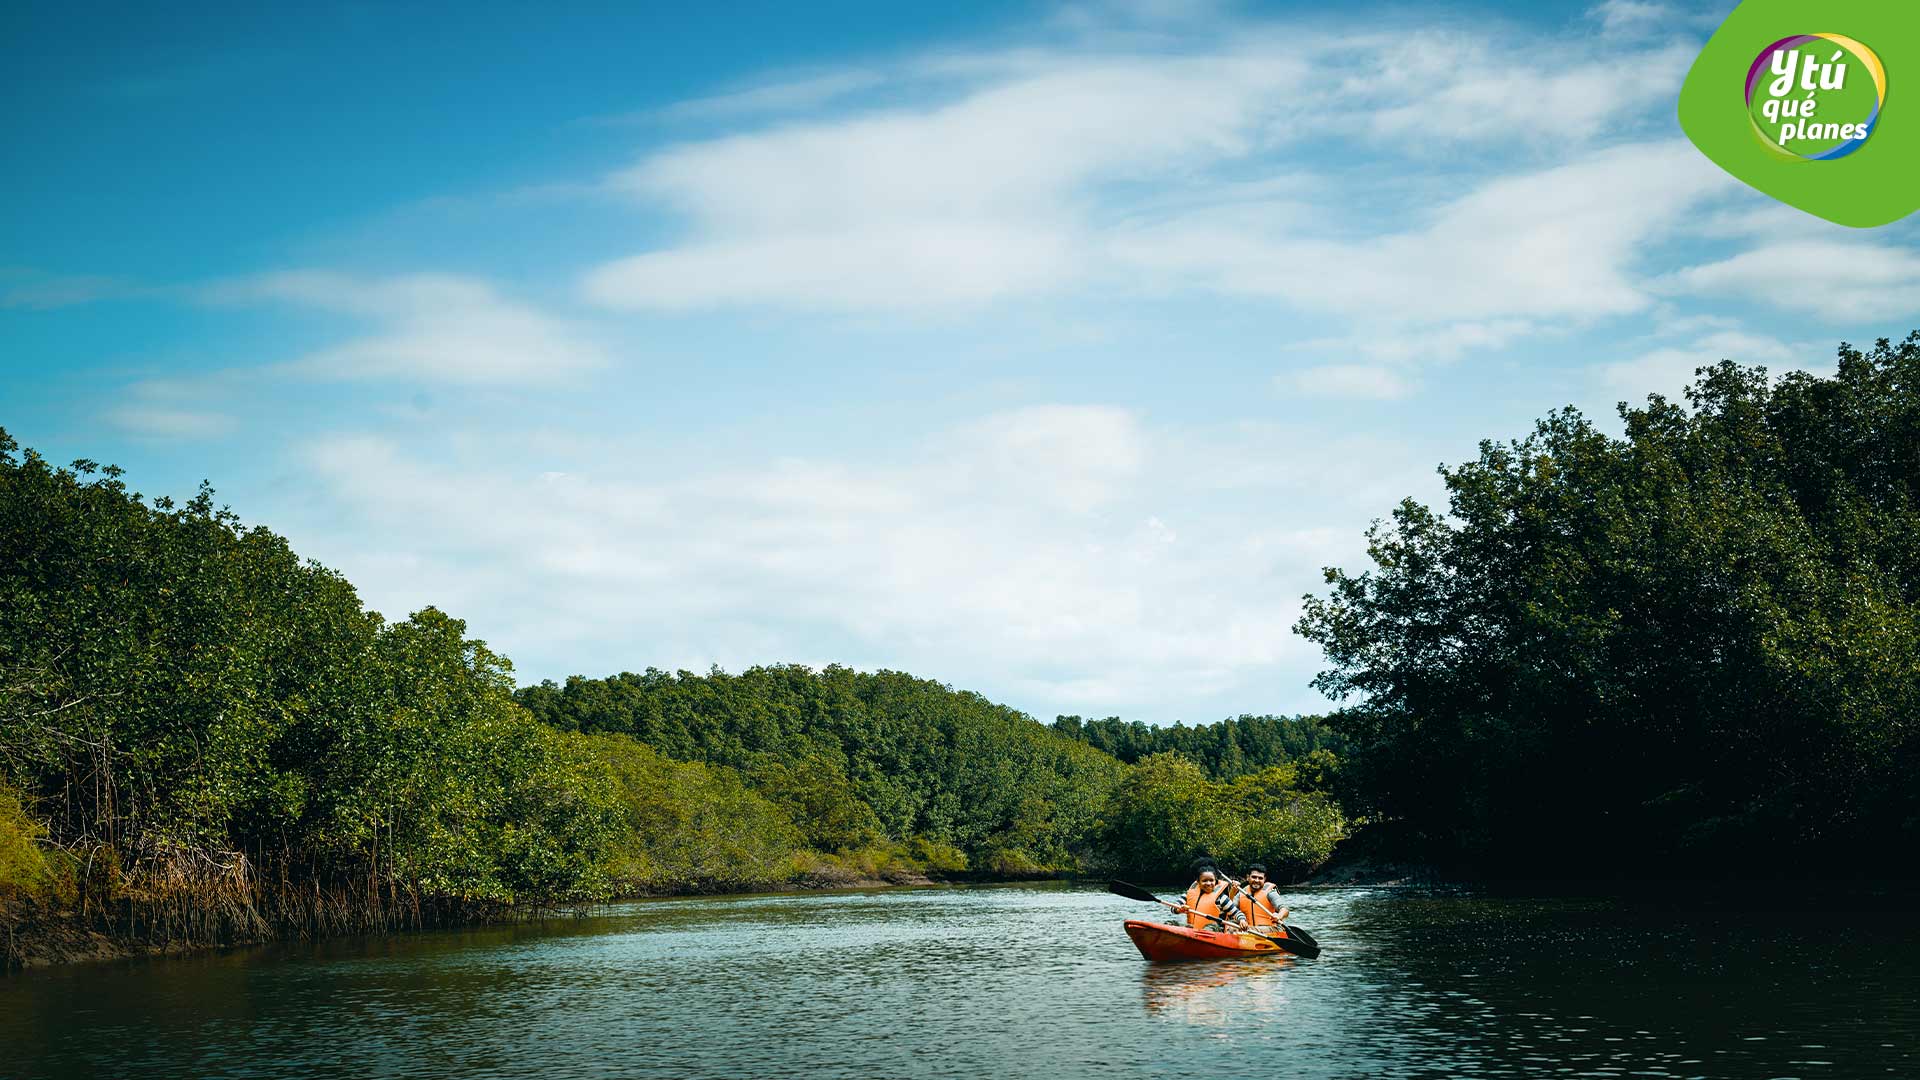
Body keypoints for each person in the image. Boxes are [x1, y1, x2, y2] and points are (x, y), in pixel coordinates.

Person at [1221, 863, 1291, 934]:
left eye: (1260, 878)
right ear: (1248, 877)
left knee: (1240, 930)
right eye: (1254, 877)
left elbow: (1284, 909)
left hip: (1271, 929)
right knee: (1230, 926)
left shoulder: (1270, 892)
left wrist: (1279, 916)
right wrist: (1232, 892)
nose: (1257, 880)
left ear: (1265, 879)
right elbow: (1229, 911)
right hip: (1249, 928)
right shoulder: (1241, 893)